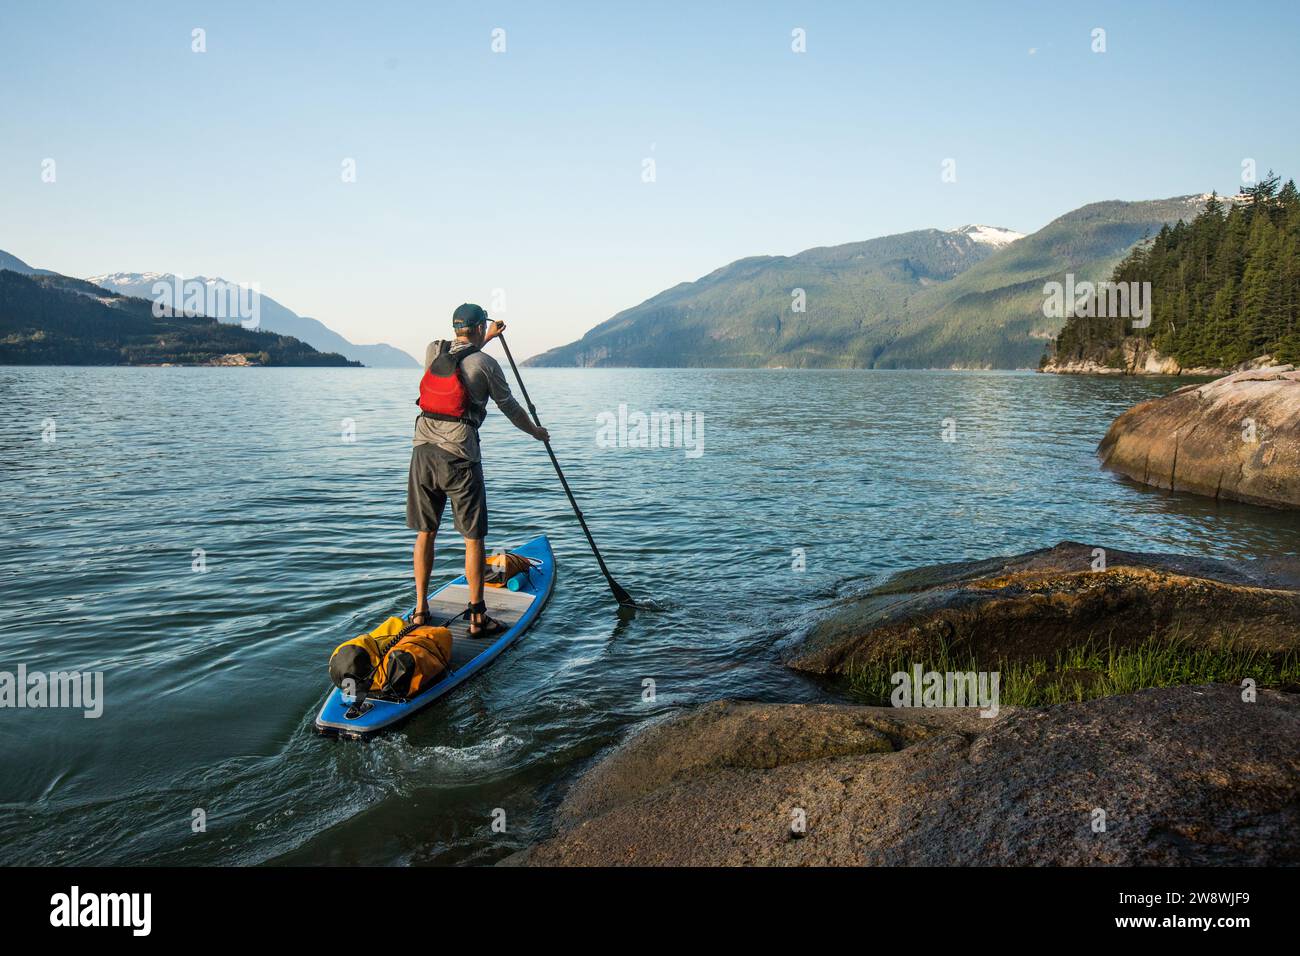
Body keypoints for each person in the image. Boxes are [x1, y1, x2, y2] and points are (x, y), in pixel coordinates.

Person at [406, 303, 549, 636]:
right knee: (473, 537)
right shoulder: (487, 364)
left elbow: (459, 360)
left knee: (425, 532)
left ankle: (420, 611)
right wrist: (536, 432)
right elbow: (510, 406)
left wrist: (485, 337)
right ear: (479, 328)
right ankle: (477, 617)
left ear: (456, 327)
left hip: (422, 452)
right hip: (460, 457)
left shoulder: (434, 351)